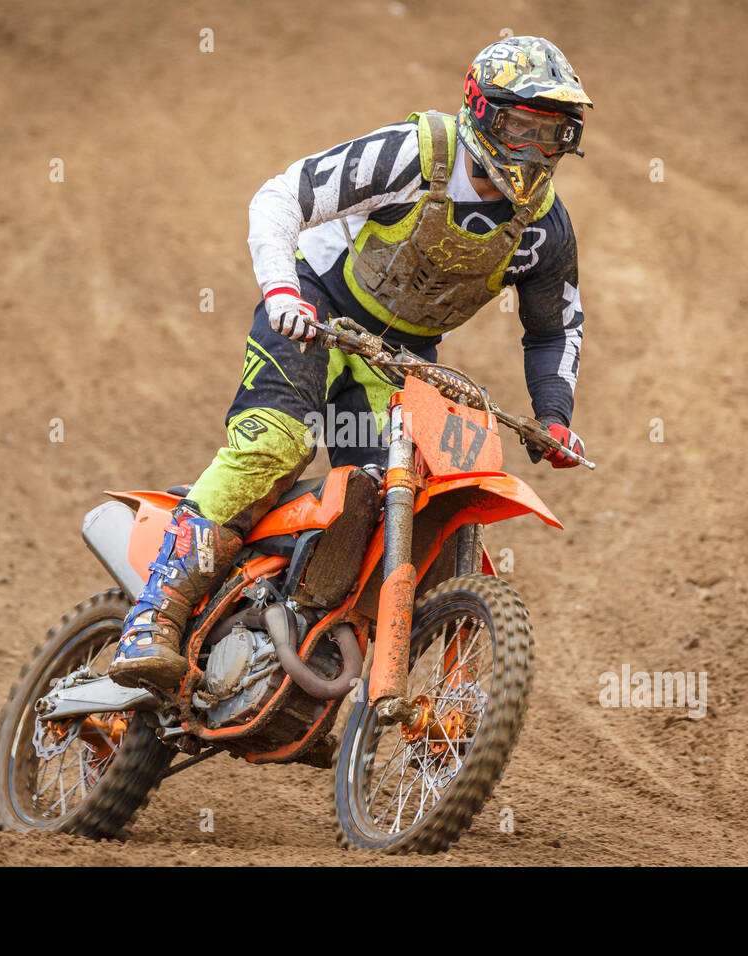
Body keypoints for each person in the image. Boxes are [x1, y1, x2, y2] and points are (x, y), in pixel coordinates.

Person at [109, 36, 592, 690]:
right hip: (315, 308)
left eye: (553, 135)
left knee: (381, 500)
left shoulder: (543, 228)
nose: (534, 150)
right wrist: (282, 291)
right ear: (482, 111)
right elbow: (282, 197)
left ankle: (304, 638)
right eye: (521, 128)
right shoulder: (416, 154)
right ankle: (155, 614)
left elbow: (553, 326)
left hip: (398, 361)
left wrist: (554, 417)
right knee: (275, 446)